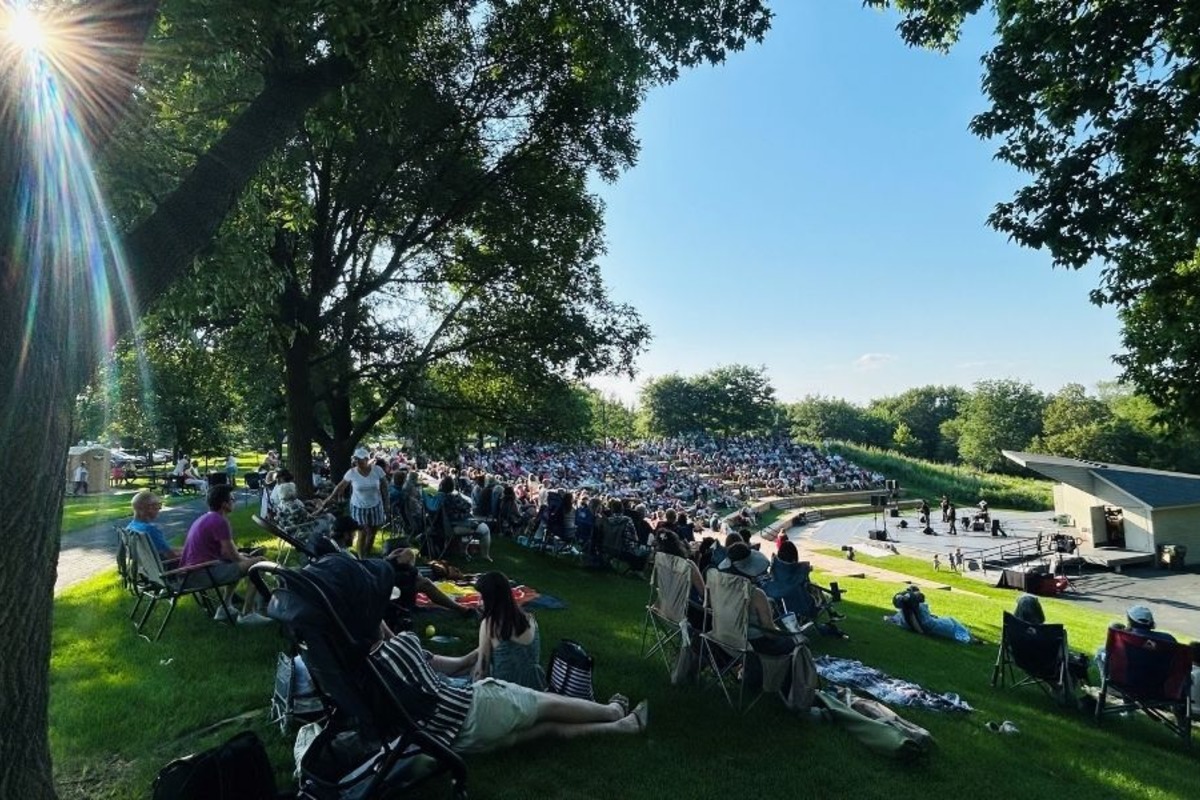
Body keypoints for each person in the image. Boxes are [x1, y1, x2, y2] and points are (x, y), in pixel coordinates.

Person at [179, 484, 270, 625]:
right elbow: (231, 554)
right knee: (259, 563)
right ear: (224, 504)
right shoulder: (220, 521)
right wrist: (247, 559)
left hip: (192, 573)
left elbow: (225, 553)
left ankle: (225, 607)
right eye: (232, 499)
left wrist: (243, 558)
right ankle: (247, 613)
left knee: (238, 564)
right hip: (201, 574)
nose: (235, 502)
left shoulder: (205, 518)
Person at [472, 571, 545, 690]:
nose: (478, 602)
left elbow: (481, 672)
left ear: (492, 598)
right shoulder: (530, 619)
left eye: (482, 597)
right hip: (534, 690)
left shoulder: (490, 624)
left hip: (506, 694)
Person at [319, 447, 389, 558]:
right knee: (363, 532)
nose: (358, 462)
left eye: (360, 460)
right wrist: (327, 501)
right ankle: (361, 559)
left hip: (376, 505)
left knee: (372, 534)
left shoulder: (377, 470)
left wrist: (386, 504)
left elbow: (384, 486)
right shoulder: (352, 473)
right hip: (359, 506)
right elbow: (339, 487)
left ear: (367, 459)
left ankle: (366, 554)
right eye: (356, 460)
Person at [127, 490, 180, 563]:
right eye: (158, 505)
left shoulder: (130, 527)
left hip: (145, 570)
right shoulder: (150, 530)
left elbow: (166, 549)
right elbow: (171, 556)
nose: (159, 508)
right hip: (166, 569)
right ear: (150, 508)